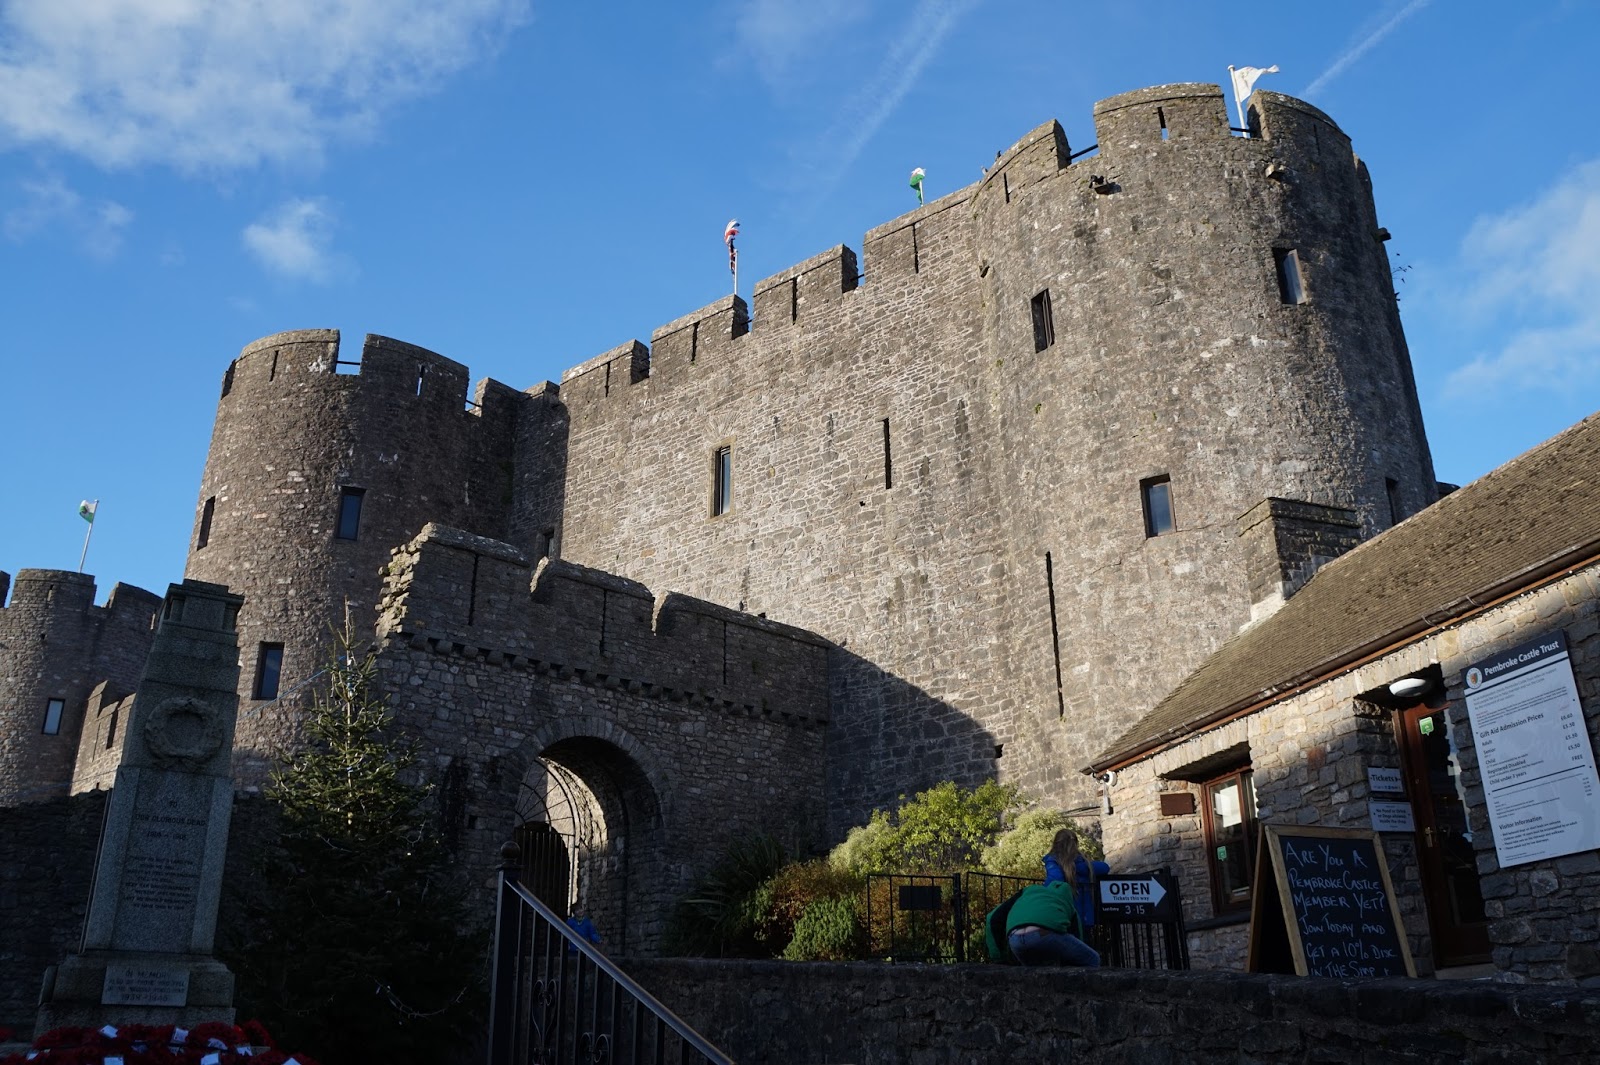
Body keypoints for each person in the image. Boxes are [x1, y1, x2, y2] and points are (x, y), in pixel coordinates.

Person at [1005, 829, 1101, 967]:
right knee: (1084, 956)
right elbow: (1104, 867)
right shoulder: (1085, 864)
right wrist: (1077, 867)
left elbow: (1055, 880)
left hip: (1061, 915)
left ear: (1056, 843)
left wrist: (1068, 869)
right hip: (1084, 916)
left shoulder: (1053, 860)